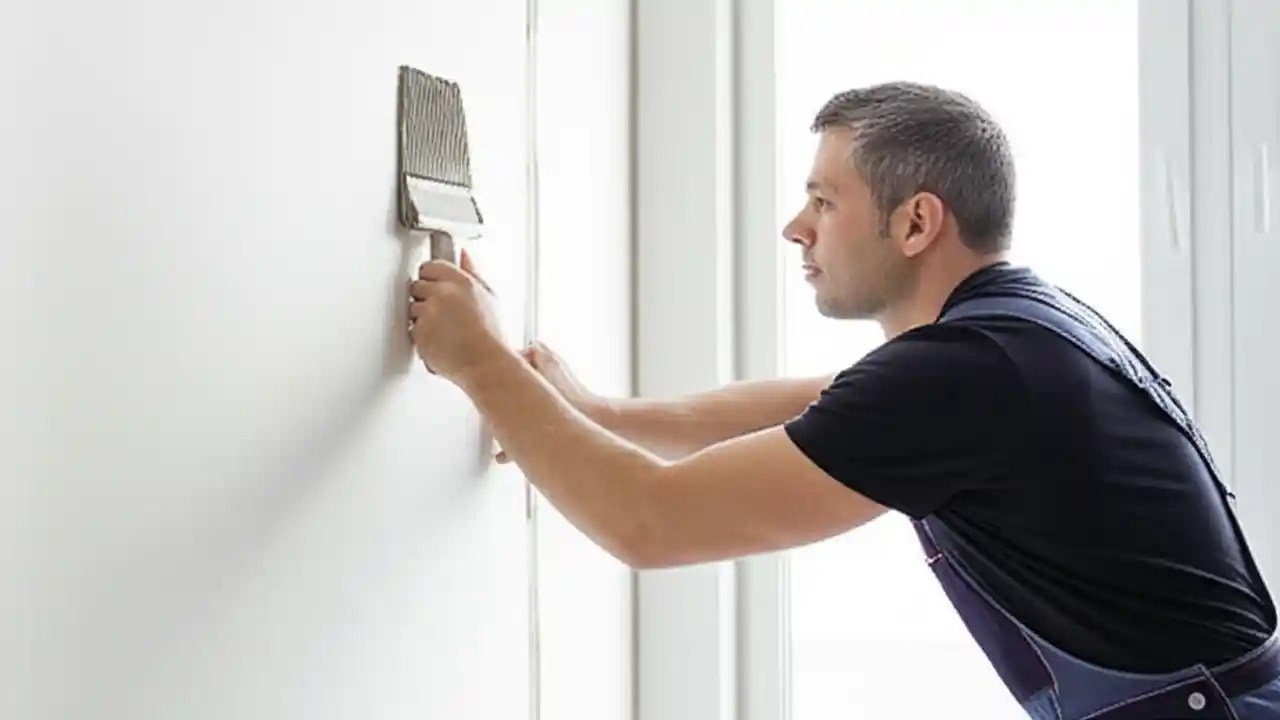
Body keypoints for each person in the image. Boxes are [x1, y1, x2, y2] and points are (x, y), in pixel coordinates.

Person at [407, 81, 1280, 718]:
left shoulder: (966, 375)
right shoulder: (1009, 333)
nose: (796, 226)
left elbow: (649, 523)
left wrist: (482, 362)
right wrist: (598, 412)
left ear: (916, 223)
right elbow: (827, 405)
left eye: (824, 200)